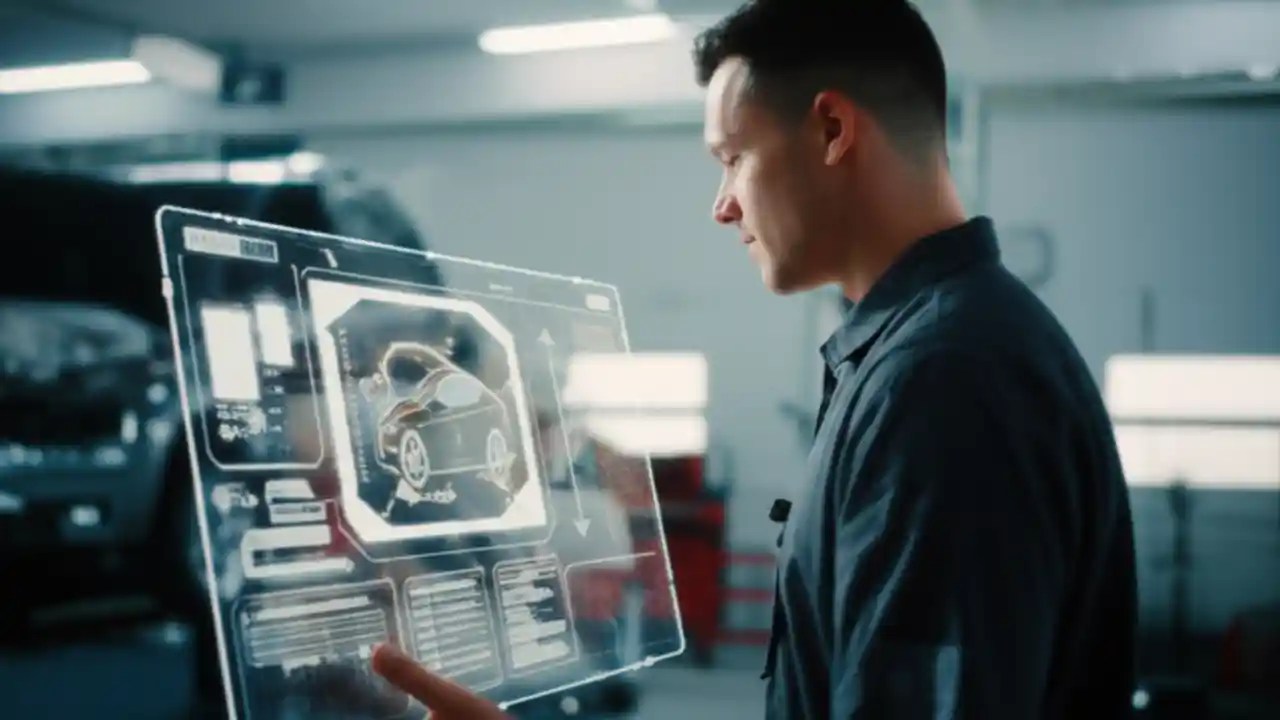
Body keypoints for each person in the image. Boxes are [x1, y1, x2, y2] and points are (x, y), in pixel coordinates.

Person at [371, 0, 1139, 718]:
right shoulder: (934, 351)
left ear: (834, 128)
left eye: (734, 157)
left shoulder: (945, 381)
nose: (723, 204)